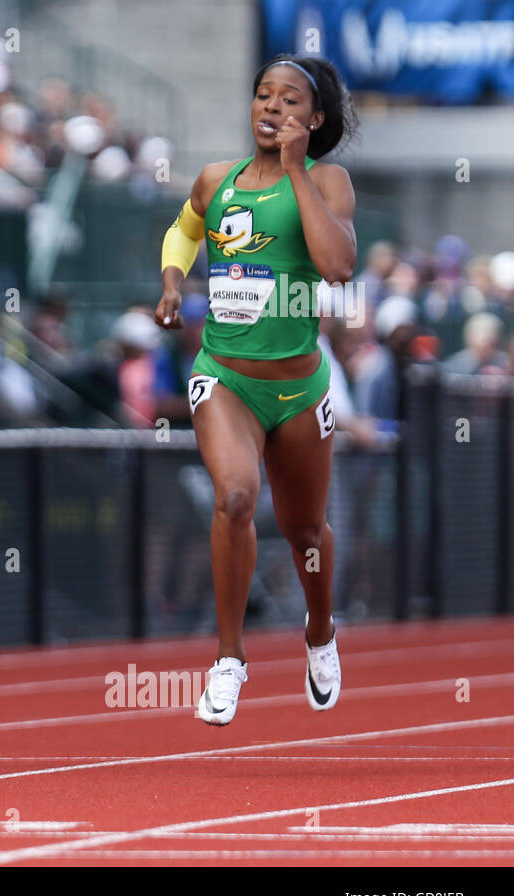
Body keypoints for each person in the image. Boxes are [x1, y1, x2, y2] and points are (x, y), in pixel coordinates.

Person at [156, 55, 358, 725]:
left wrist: (298, 169)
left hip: (300, 386)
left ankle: (321, 632)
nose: (272, 108)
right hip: (227, 376)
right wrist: (171, 279)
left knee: (304, 527)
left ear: (316, 118)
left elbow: (337, 267)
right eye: (263, 96)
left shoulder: (328, 179)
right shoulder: (218, 179)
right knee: (235, 496)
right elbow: (185, 229)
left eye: (290, 100)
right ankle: (229, 658)